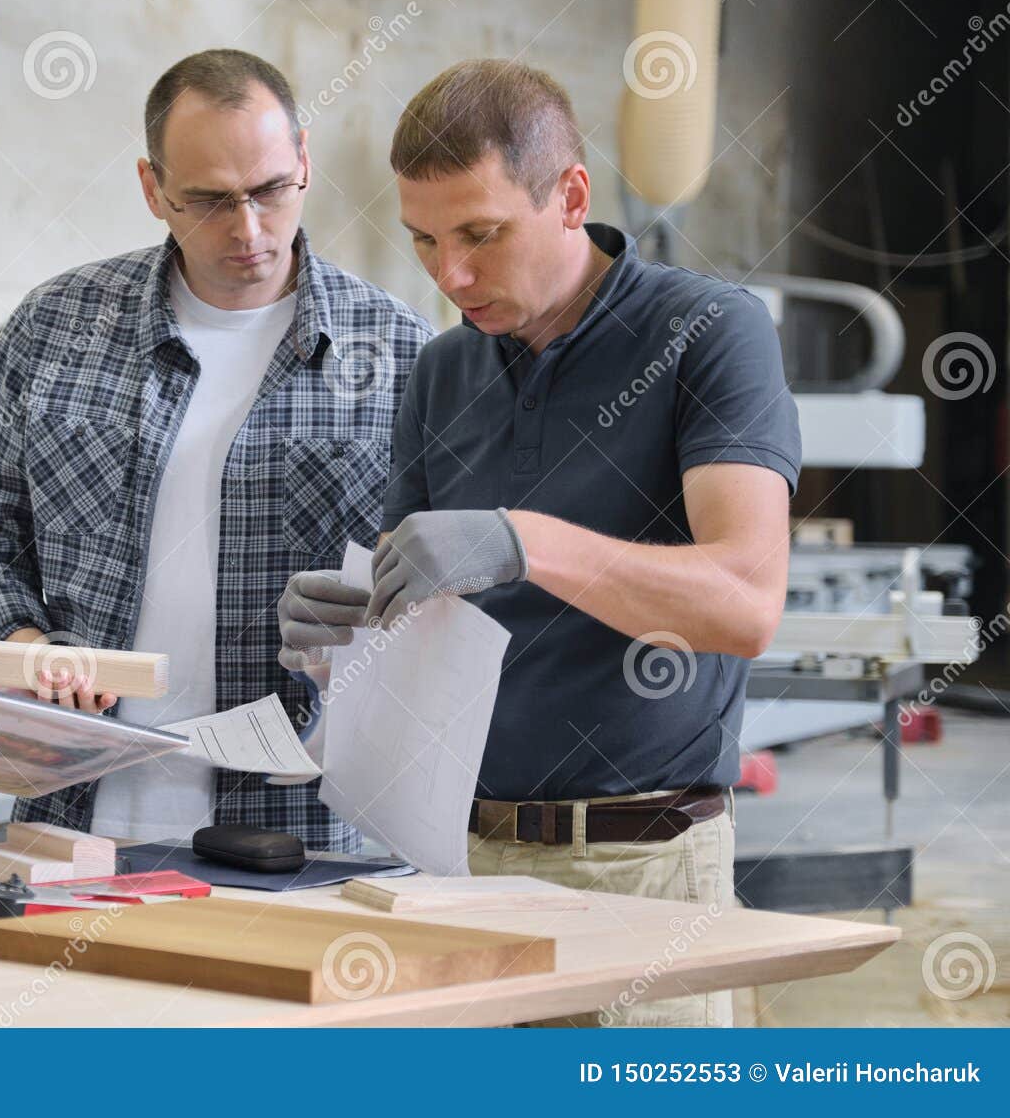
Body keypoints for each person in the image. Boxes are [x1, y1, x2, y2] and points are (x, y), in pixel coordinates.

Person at [279, 59, 802, 1025]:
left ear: (571, 197)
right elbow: (419, 618)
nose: (450, 276)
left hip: (638, 871)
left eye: (481, 234)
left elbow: (745, 602)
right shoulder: (443, 370)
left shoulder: (710, 331)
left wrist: (524, 540)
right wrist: (341, 638)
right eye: (424, 240)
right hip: (457, 864)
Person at [0, 49, 430, 850]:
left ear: (304, 159)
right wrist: (25, 644)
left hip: (303, 834)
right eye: (210, 200)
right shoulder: (56, 330)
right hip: (77, 819)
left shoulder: (398, 353)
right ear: (153, 189)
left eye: (271, 190)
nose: (248, 229)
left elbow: (439, 605)